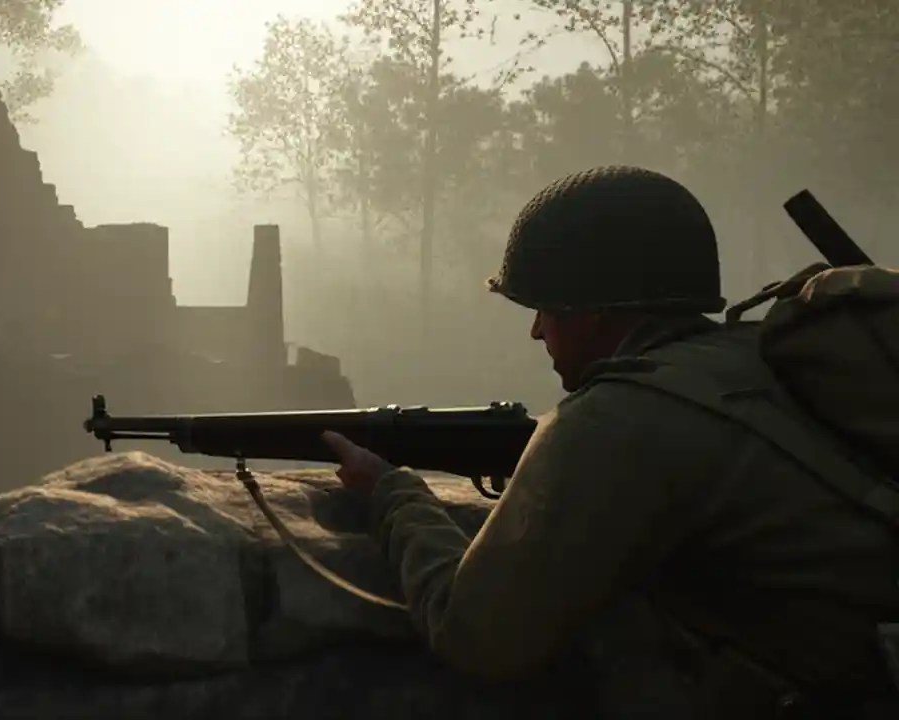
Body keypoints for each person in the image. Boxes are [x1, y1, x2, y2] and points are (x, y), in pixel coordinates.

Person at [322, 165, 899, 718]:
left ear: (593, 308)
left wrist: (393, 494)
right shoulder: (752, 358)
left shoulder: (614, 416)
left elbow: (478, 636)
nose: (537, 329)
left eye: (544, 307)